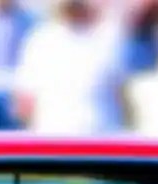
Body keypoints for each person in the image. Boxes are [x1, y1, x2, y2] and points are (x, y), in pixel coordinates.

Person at [12, 0, 128, 134]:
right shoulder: (39, 40)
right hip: (52, 144)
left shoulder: (110, 39)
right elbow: (24, 104)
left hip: (101, 144)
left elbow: (120, 96)